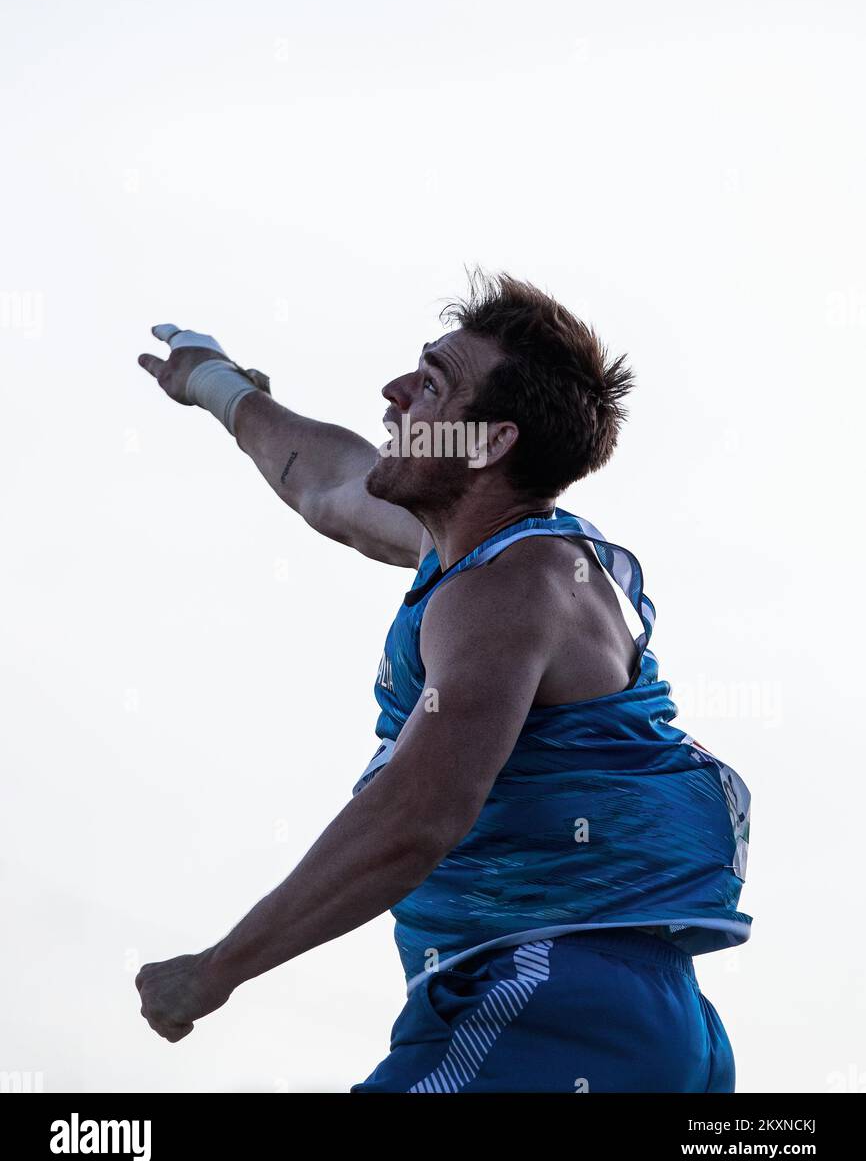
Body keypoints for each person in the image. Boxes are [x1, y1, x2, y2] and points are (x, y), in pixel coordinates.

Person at [135, 271, 751, 1092]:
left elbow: (418, 814)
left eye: (430, 384)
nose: (393, 392)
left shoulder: (515, 583)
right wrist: (215, 384)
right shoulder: (485, 549)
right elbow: (325, 484)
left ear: (488, 445)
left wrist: (217, 969)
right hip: (613, 1016)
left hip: (549, 1002)